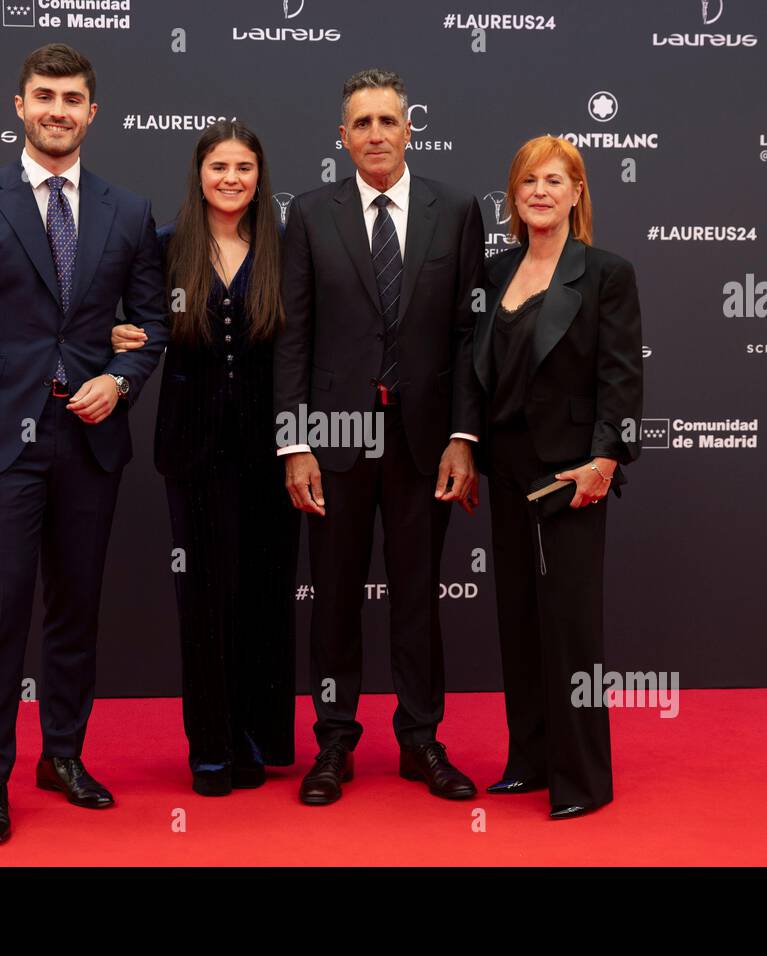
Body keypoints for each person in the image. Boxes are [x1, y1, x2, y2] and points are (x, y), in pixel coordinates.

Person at [0, 43, 168, 844]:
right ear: (19, 106)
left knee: (76, 609)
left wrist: (123, 378)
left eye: (72, 98)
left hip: (90, 444)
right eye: (44, 96)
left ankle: (62, 753)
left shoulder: (128, 212)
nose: (58, 109)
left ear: (93, 112)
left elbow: (150, 325)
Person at [274, 69, 485, 805]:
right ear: (342, 136)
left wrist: (465, 435)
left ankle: (421, 739)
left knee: (418, 596)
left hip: (426, 440)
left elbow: (468, 335)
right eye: (359, 123)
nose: (374, 134)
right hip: (332, 437)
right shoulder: (307, 214)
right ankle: (333, 740)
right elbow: (293, 336)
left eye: (386, 121)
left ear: (408, 128)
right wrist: (293, 441)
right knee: (332, 595)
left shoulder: (454, 211)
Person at [109, 120, 299, 796]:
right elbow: (126, 323)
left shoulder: (281, 249)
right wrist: (116, 332)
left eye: (244, 168)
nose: (231, 178)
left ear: (259, 177)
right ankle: (211, 745)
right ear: (199, 174)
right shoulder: (164, 248)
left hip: (271, 455)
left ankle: (256, 737)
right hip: (191, 454)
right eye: (219, 166)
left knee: (262, 595)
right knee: (206, 599)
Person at [474, 135, 642, 819]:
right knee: (518, 617)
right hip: (509, 466)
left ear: (577, 193)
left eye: (554, 180)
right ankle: (531, 760)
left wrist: (606, 458)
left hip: (573, 470)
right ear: (512, 198)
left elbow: (622, 377)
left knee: (570, 625)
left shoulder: (606, 273)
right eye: (527, 183)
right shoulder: (494, 274)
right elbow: (475, 372)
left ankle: (583, 779)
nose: (540, 192)